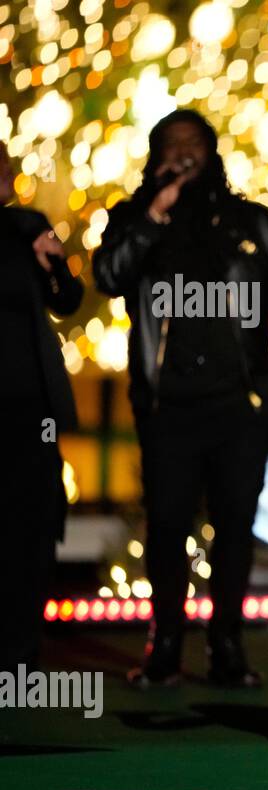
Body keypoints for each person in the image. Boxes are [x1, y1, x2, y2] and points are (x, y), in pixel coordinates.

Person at [92, 109, 268, 689]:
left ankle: (227, 647)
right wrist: (152, 214)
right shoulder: (136, 217)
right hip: (168, 405)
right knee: (167, 523)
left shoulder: (251, 222)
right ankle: (165, 643)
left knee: (235, 524)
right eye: (173, 144)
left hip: (238, 404)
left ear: (214, 153)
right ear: (156, 154)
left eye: (196, 144)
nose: (185, 153)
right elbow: (109, 275)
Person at [0, 140, 84, 673]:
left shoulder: (29, 225)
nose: (6, 172)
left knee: (29, 526)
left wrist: (53, 266)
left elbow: (69, 299)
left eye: (5, 163)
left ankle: (19, 655)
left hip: (29, 410)